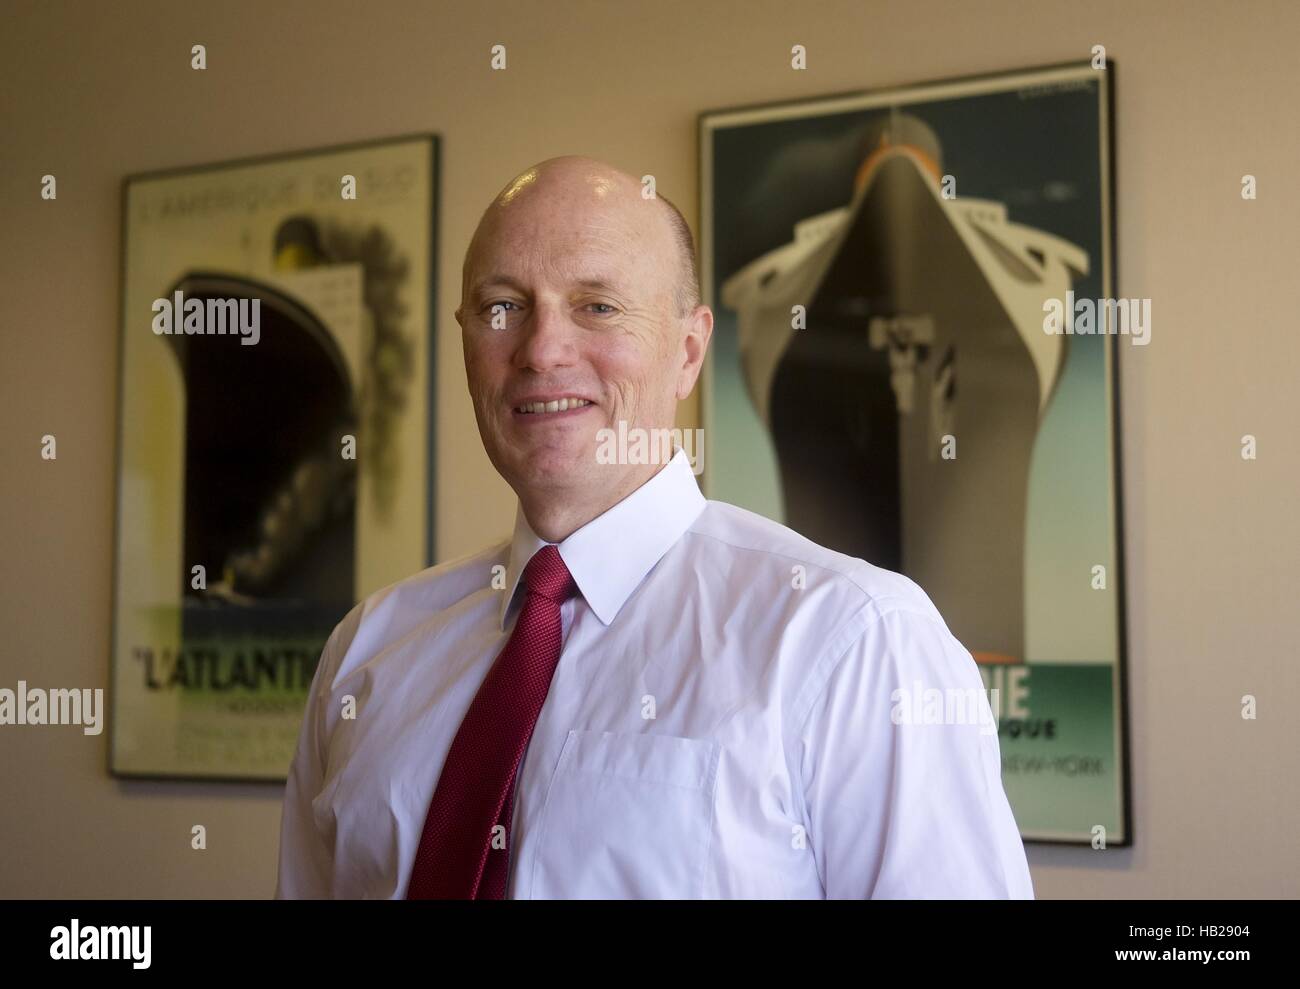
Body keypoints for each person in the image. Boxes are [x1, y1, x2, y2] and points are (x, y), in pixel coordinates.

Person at [275, 155, 1034, 899]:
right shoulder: (367, 653)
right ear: (466, 338)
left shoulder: (855, 642)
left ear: (689, 351)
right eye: (502, 306)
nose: (541, 350)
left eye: (597, 306)